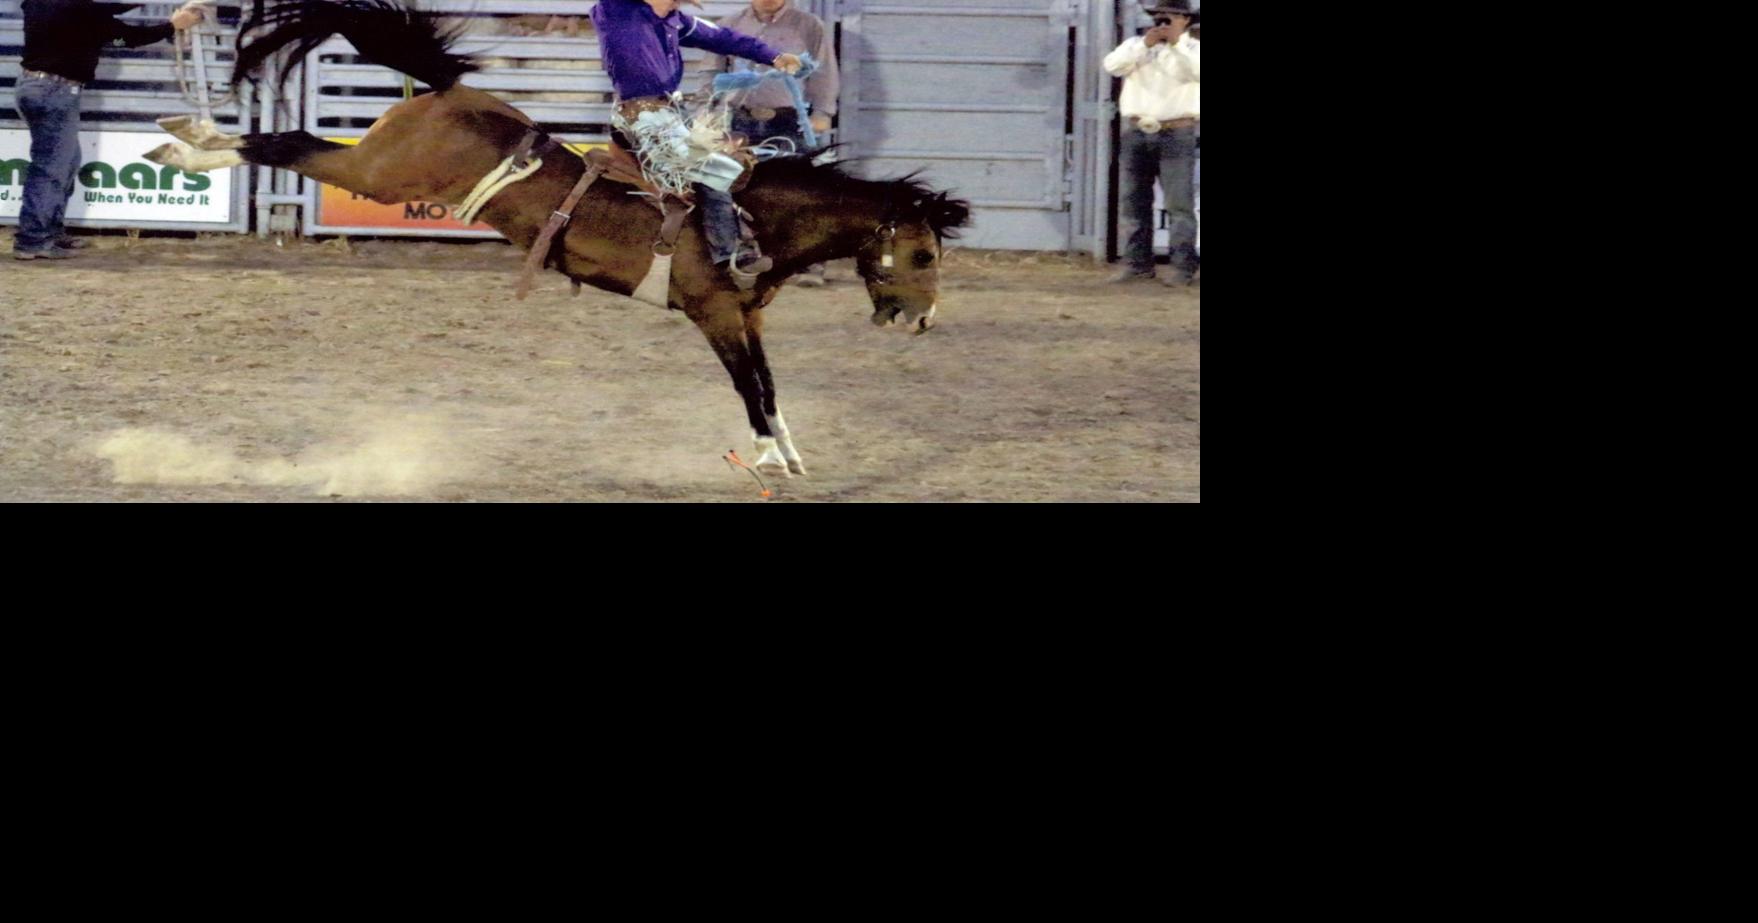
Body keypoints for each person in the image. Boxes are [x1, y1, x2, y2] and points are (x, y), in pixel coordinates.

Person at [589, 0, 801, 288]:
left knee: (734, 163)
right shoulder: (617, 11)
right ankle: (729, 256)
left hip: (669, 114)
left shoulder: (676, 21)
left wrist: (772, 56)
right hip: (644, 117)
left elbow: (721, 37)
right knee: (714, 170)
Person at [13, 0, 207, 260]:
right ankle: (33, 240)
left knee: (63, 163)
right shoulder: (84, 11)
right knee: (52, 168)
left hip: (38, 86)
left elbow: (117, 32)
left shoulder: (49, 5)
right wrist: (172, 25)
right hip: (55, 91)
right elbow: (128, 36)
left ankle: (48, 232)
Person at [707, 0, 839, 286]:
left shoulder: (809, 25)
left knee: (801, 189)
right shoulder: (728, 26)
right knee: (731, 185)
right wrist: (708, 111)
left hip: (789, 119)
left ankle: (808, 261)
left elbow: (824, 71)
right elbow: (712, 72)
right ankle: (743, 255)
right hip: (738, 120)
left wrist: (822, 112)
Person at [1102, 0, 1199, 286]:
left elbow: (1196, 72)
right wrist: (1146, 44)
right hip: (1137, 130)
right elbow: (1112, 65)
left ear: (1185, 20)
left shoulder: (1194, 48)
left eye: (1171, 16)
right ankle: (1137, 264)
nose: (1163, 21)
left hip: (1176, 131)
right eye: (1159, 16)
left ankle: (1183, 267)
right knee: (1133, 202)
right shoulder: (1136, 44)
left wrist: (1177, 44)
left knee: (1179, 204)